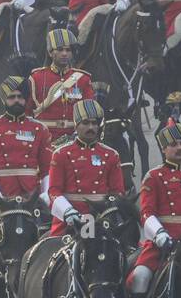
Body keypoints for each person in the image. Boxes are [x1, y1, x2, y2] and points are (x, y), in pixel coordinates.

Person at [126, 121, 181, 296]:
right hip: (162, 244)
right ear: (164, 149)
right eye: (173, 145)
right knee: (140, 278)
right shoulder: (153, 177)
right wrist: (160, 235)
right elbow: (146, 214)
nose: (179, 148)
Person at [0, 76, 53, 223]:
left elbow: (47, 169)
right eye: (11, 97)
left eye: (20, 97)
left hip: (31, 200)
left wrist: (45, 197)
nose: (17, 100)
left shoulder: (40, 129)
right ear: (4, 100)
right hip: (0, 198)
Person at [47, 99, 125, 237]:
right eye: (85, 123)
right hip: (70, 219)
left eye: (94, 123)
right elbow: (53, 190)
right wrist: (67, 211)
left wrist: (109, 213)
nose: (91, 127)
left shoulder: (111, 155)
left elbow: (117, 192)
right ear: (76, 126)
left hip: (102, 218)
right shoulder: (61, 154)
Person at [29, 28, 95, 144]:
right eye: (59, 50)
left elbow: (89, 114)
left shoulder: (83, 79)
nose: (64, 53)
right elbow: (26, 115)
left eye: (68, 50)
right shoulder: (36, 78)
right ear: (50, 52)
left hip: (74, 141)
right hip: (43, 141)